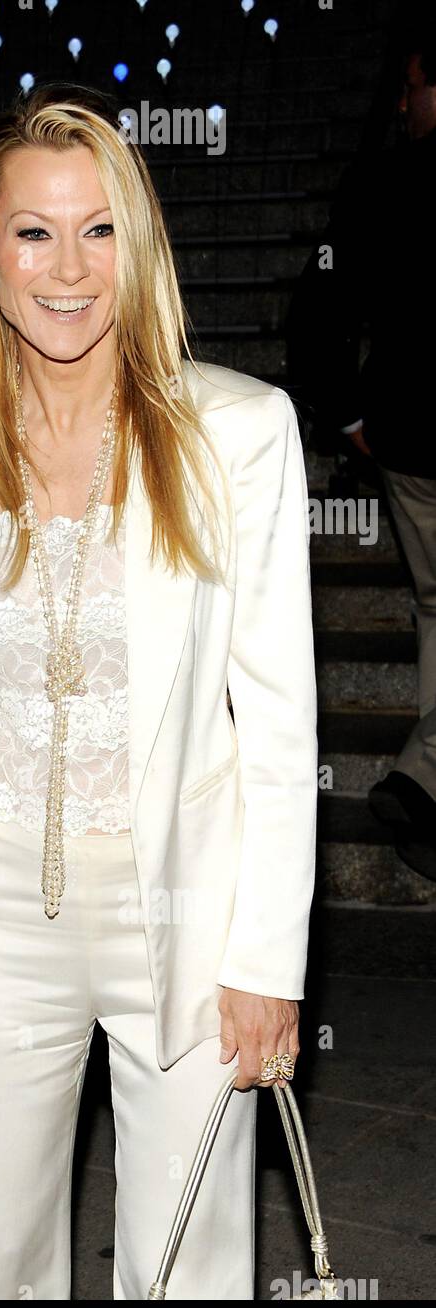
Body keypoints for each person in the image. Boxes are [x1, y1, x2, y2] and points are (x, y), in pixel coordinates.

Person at [0, 84, 318, 1300]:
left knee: (187, 1266)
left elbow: (279, 724)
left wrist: (267, 959)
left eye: (97, 230)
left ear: (138, 244)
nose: (66, 269)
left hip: (183, 913)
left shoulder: (238, 431)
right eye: (32, 232)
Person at [288, 24, 436, 878]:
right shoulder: (387, 182)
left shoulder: (387, 184)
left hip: (412, 434)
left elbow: (317, 310)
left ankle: (426, 784)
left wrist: (346, 413)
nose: (405, 105)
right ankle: (425, 778)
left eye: (412, 89)